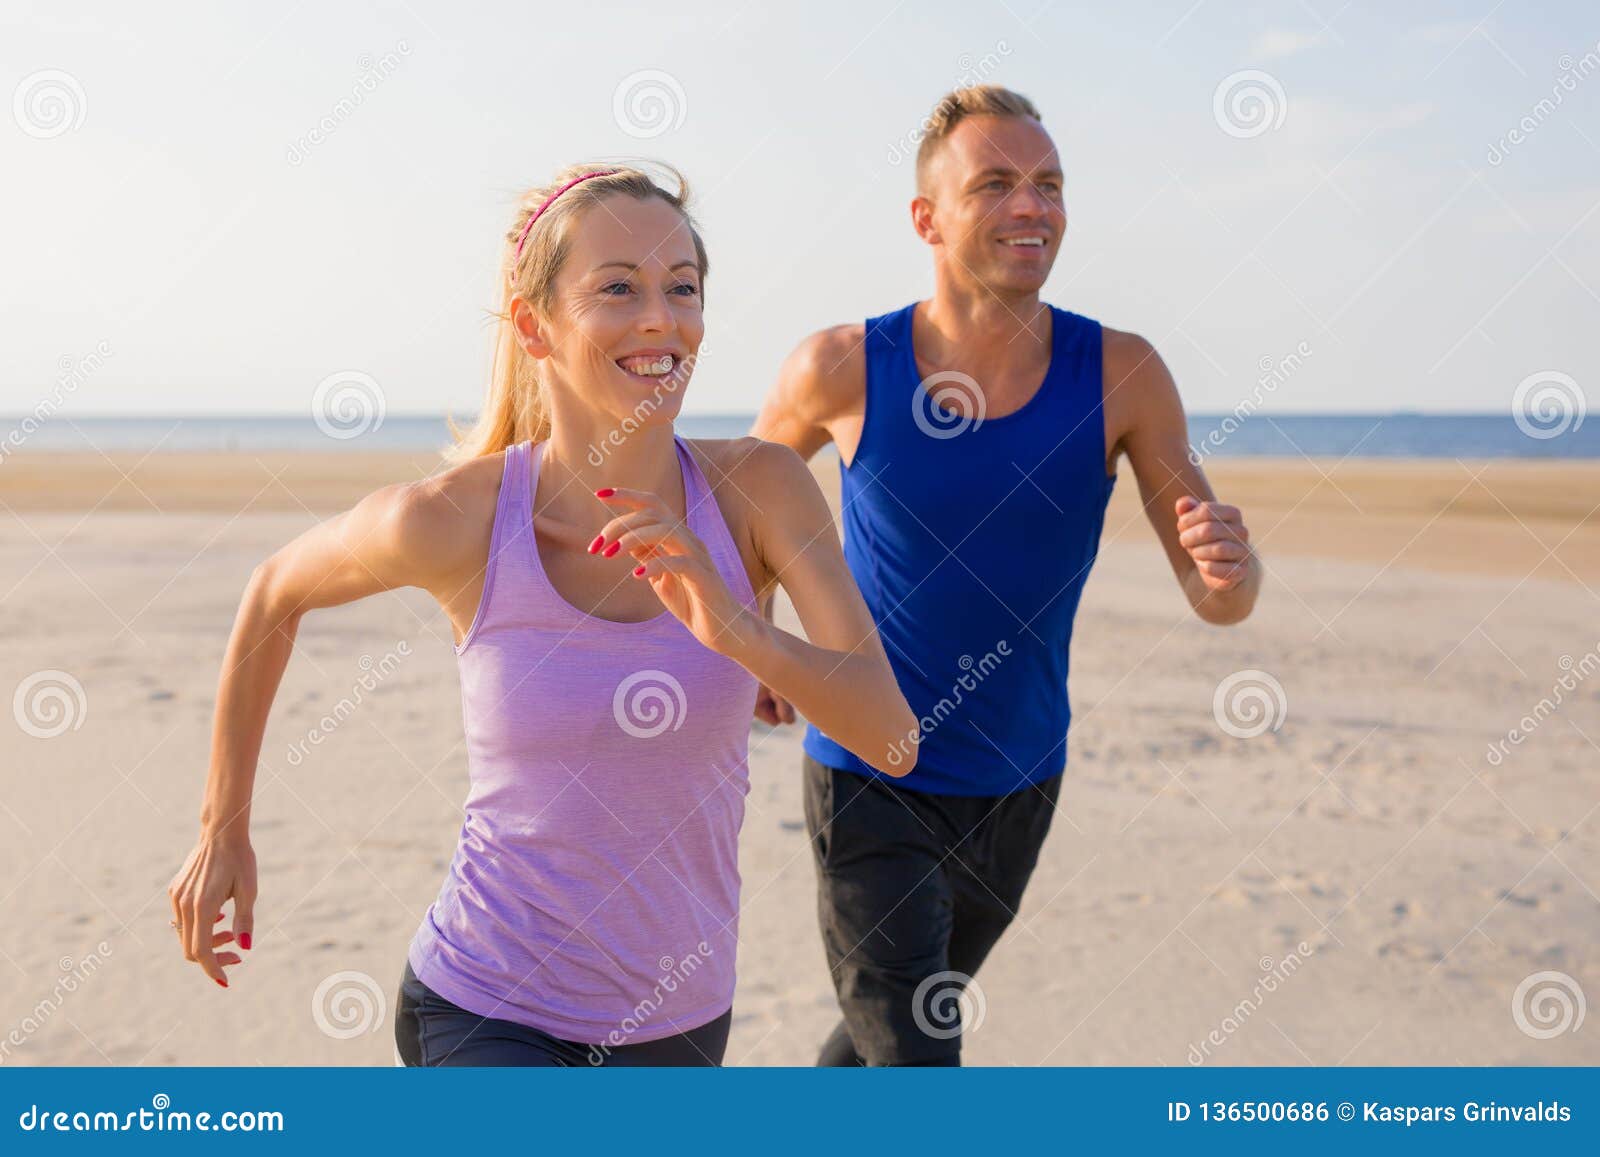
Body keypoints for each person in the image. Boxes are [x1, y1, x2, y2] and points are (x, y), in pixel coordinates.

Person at [167, 163, 917, 1067]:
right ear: (535, 326)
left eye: (684, 288)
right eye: (618, 289)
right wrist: (222, 827)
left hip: (677, 1020)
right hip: (485, 1001)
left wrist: (739, 629)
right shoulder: (454, 521)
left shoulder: (761, 490)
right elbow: (273, 591)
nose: (661, 318)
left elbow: (891, 738)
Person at [750, 85, 1262, 1066]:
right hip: (870, 768)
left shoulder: (1122, 371)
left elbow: (1214, 594)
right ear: (926, 218)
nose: (1033, 205)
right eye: (995, 183)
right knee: (914, 1061)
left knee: (878, 1047)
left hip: (1022, 775)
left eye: (1048, 184)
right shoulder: (840, 366)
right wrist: (763, 641)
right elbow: (745, 506)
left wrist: (1228, 569)